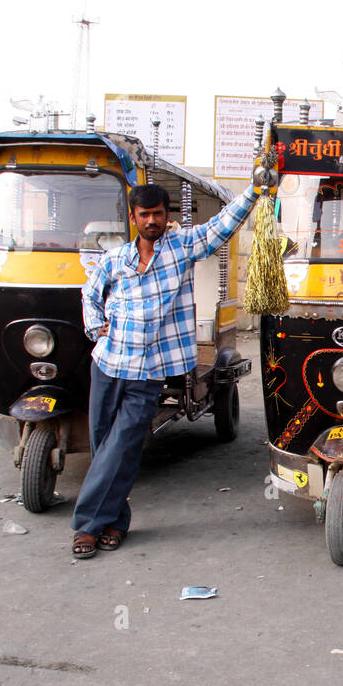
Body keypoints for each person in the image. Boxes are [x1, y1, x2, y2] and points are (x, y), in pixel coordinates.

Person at [70, 181, 260, 559]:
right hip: (107, 366)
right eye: (145, 215)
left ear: (166, 215)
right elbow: (89, 293)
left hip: (148, 373)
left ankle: (87, 526)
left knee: (121, 446)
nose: (152, 221)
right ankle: (116, 521)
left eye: (158, 214)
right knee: (103, 448)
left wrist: (254, 191)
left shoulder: (181, 248)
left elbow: (221, 225)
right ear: (133, 217)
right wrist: (95, 326)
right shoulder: (114, 259)